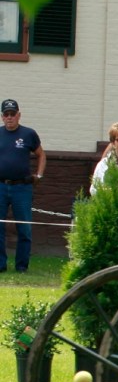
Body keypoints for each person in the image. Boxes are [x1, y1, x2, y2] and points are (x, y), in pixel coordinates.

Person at [0, 98, 46, 273]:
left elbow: (41, 154)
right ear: (2, 117)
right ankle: (0, 265)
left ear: (19, 115)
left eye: (13, 114)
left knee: (24, 227)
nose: (10, 117)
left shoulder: (28, 134)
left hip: (22, 187)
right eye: (6, 114)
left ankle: (21, 266)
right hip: (1, 187)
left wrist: (39, 175)